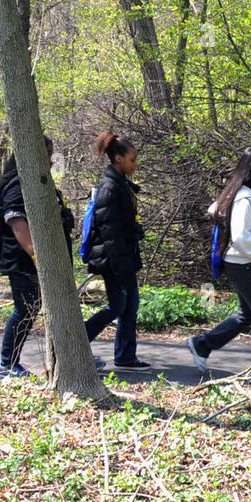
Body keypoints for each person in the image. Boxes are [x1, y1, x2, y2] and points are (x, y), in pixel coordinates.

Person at [186, 147, 251, 385]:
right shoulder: (243, 197)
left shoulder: (247, 193)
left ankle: (202, 345)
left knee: (247, 315)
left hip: (244, 262)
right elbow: (241, 238)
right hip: (241, 264)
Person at [0, 136, 77, 379]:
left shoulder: (36, 182)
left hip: (36, 260)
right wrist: (36, 255)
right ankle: (7, 364)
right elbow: (17, 221)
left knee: (37, 308)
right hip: (22, 261)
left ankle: (66, 358)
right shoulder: (18, 185)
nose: (51, 161)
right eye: (47, 155)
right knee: (25, 310)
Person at [82, 131, 148, 369]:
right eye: (132, 159)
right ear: (118, 159)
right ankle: (79, 341)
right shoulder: (110, 188)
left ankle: (125, 356)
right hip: (114, 261)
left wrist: (134, 231)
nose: (135, 164)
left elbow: (122, 225)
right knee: (118, 306)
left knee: (130, 307)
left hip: (124, 258)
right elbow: (109, 232)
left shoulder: (122, 185)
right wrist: (121, 265)